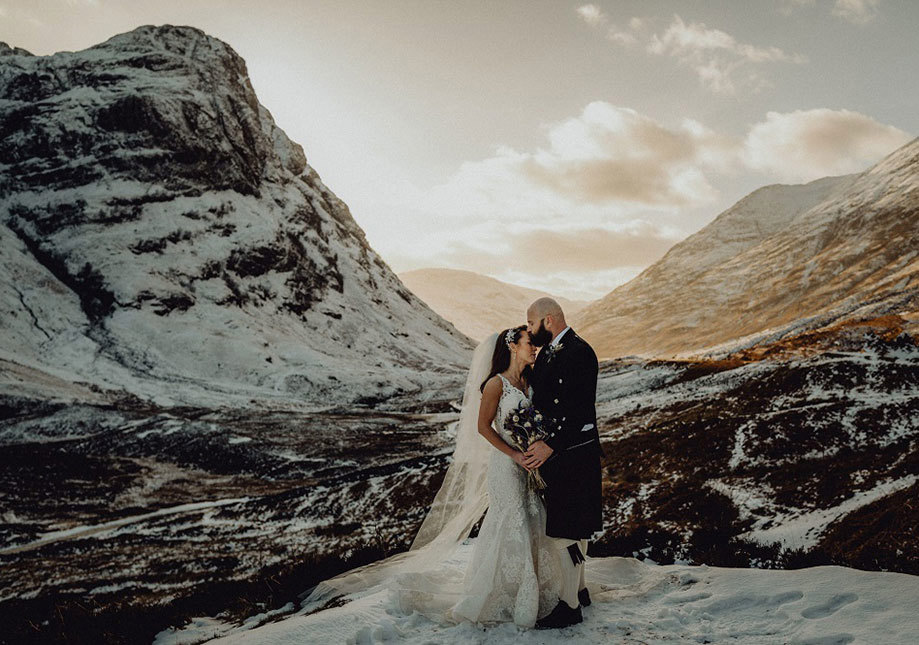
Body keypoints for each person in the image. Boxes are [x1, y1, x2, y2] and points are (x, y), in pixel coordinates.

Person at [301, 327, 562, 629]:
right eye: (530, 344)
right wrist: (514, 454)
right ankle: (504, 596)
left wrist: (532, 447)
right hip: (506, 467)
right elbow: (483, 427)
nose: (535, 350)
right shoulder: (495, 385)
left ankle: (529, 591)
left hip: (528, 465)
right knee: (511, 522)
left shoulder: (528, 381)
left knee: (531, 520)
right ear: (513, 346)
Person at [523, 297, 603, 629]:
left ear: (549, 320)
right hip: (564, 456)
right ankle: (578, 588)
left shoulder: (580, 352)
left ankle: (569, 606)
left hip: (574, 454)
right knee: (574, 529)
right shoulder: (549, 354)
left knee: (566, 532)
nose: (529, 330)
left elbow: (581, 413)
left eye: (531, 324)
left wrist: (549, 446)